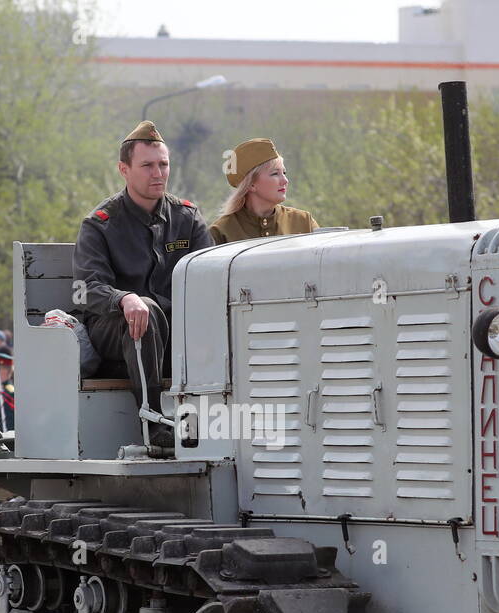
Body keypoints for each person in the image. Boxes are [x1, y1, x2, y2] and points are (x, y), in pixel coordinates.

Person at [73, 120, 213, 446]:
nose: (158, 173)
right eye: (147, 165)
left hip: (174, 329)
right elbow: (85, 289)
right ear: (124, 169)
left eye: (163, 165)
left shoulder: (187, 219)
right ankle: (153, 423)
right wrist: (124, 298)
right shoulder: (101, 224)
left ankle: (227, 421)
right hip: (114, 326)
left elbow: (210, 278)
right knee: (143, 309)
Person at [210, 138, 319, 244]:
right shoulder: (221, 232)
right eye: (275, 174)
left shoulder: (303, 222)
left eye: (284, 173)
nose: (285, 181)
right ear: (251, 184)